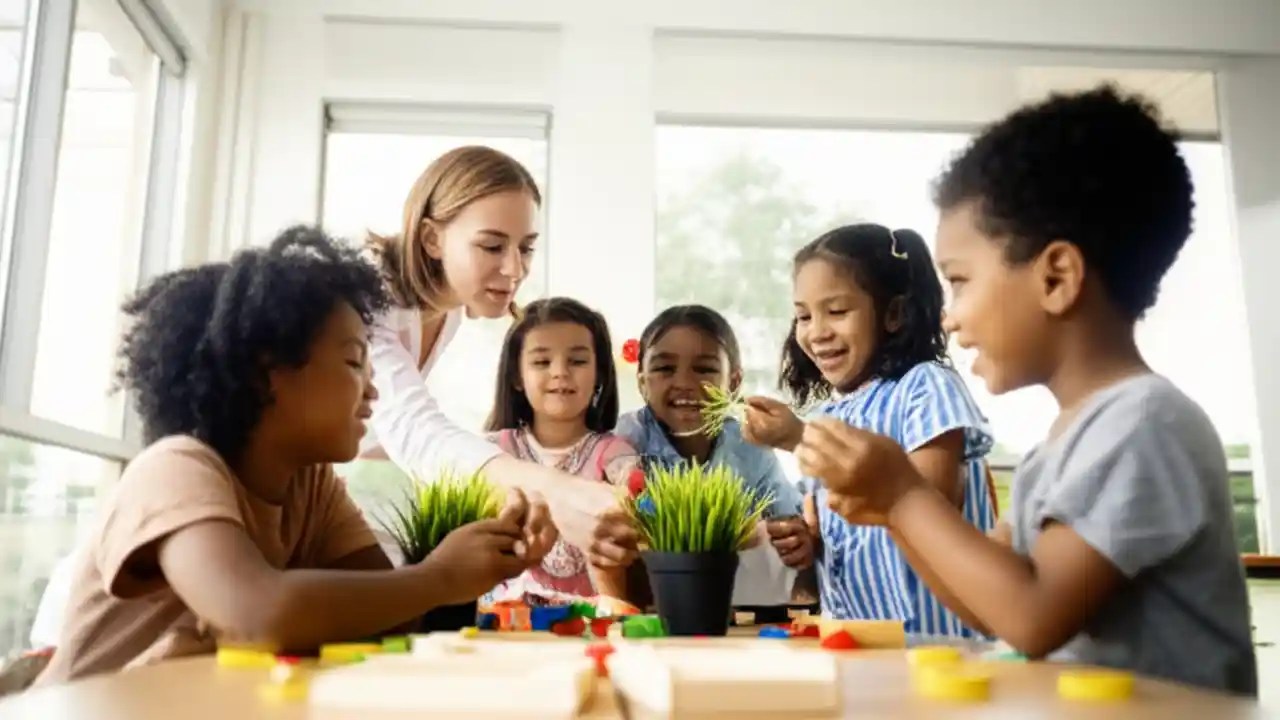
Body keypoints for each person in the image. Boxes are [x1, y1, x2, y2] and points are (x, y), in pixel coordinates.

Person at [794, 87, 1257, 694]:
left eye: (960, 282)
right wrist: (889, 510)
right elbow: (988, 605)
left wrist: (903, 495)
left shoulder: (1146, 424)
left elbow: (1033, 615)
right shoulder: (1064, 443)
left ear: (1056, 278)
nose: (950, 316)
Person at [35, 226, 553, 685]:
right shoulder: (177, 468)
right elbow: (255, 614)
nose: (372, 388)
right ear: (269, 372)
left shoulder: (314, 488)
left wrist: (480, 560)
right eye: (354, 361)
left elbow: (388, 611)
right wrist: (437, 577)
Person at [362, 146, 636, 573]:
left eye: (526, 248)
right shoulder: (366, 295)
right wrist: (555, 490)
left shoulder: (448, 309)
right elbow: (412, 429)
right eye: (491, 246)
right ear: (432, 238)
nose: (514, 269)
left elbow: (385, 431)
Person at [744, 224, 995, 638]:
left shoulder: (925, 386)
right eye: (804, 315)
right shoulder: (827, 415)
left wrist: (798, 438)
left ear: (893, 314)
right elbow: (839, 535)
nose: (817, 331)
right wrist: (809, 544)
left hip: (938, 648)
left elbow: (932, 506)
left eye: (837, 311)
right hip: (861, 647)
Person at [616, 305, 810, 616]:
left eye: (704, 369)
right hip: (652, 607)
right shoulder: (626, 442)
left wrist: (795, 535)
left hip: (733, 608)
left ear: (733, 384)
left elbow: (785, 518)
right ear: (642, 383)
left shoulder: (750, 448)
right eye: (665, 369)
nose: (685, 382)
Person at [482, 297, 643, 606]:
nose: (560, 372)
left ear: (600, 374)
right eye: (542, 362)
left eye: (578, 361)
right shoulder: (491, 453)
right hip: (504, 623)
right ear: (517, 376)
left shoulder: (613, 454)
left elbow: (637, 493)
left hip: (589, 626)